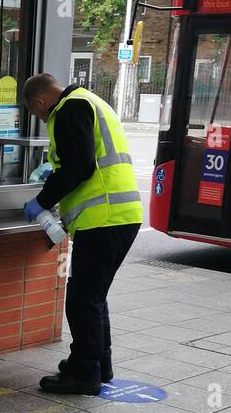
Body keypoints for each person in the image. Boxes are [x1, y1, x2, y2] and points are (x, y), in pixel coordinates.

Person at [22, 71, 143, 394]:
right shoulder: (91, 101)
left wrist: (42, 201)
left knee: (81, 298)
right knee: (94, 296)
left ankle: (84, 373)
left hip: (103, 217)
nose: (41, 117)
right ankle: (98, 364)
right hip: (120, 215)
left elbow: (79, 165)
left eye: (37, 113)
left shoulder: (69, 109)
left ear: (40, 101)